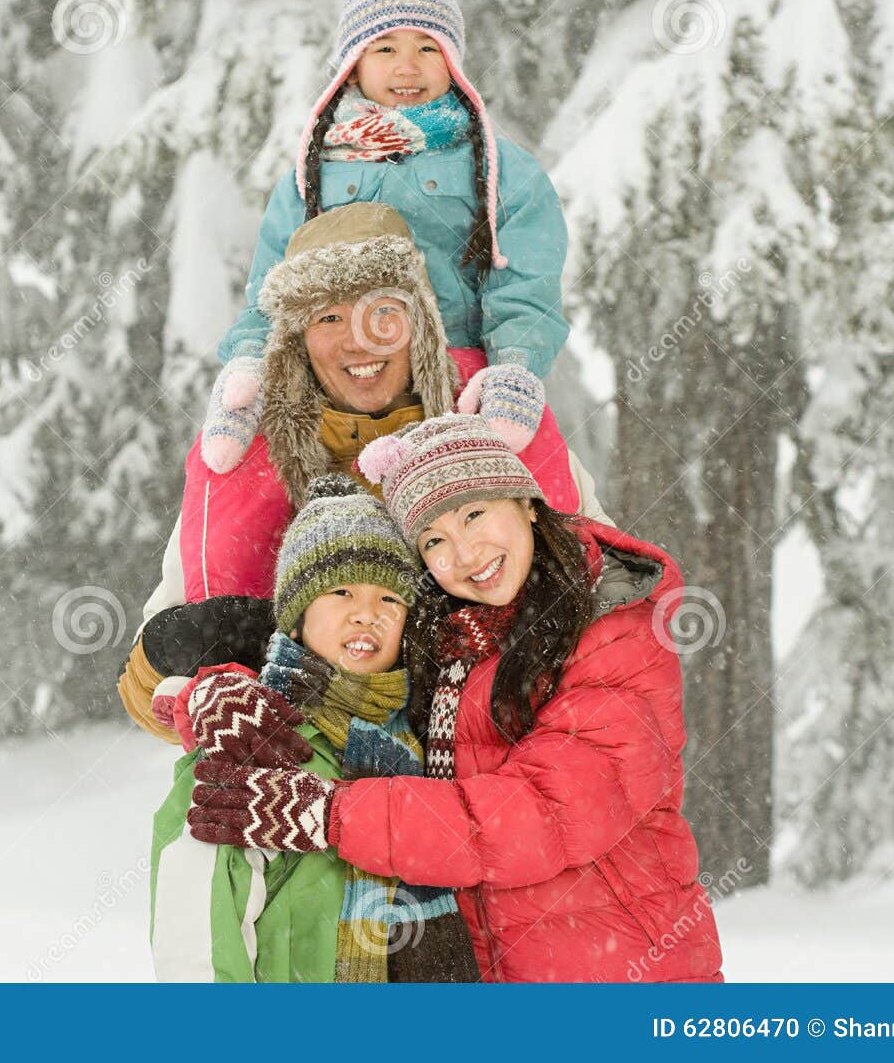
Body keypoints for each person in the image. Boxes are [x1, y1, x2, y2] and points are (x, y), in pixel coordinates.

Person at [186, 415, 726, 982]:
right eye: (435, 541)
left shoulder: (614, 631)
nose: (465, 555)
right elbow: (338, 678)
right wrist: (218, 693)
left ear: (526, 501)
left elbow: (540, 812)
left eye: (473, 514)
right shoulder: (446, 637)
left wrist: (331, 815)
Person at [117, 204, 610, 745]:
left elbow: (609, 591)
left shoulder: (494, 426)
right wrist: (199, 650)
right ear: (296, 340)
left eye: (381, 310)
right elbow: (155, 678)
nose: (358, 341)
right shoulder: (245, 455)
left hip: (487, 753)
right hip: (310, 769)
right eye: (328, 317)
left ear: (419, 319)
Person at [202, 0, 570, 473]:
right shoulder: (313, 170)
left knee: (543, 495)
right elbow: (273, 285)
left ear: (453, 62)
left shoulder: (498, 167)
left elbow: (528, 281)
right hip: (336, 380)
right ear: (352, 65)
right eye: (385, 48)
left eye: (427, 47)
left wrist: (515, 368)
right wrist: (250, 365)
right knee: (223, 486)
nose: (407, 66)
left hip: (457, 378)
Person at [149, 474, 477, 982]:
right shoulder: (251, 733)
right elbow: (195, 918)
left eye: (390, 599)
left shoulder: (422, 738)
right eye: (342, 591)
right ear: (296, 619)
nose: (367, 613)